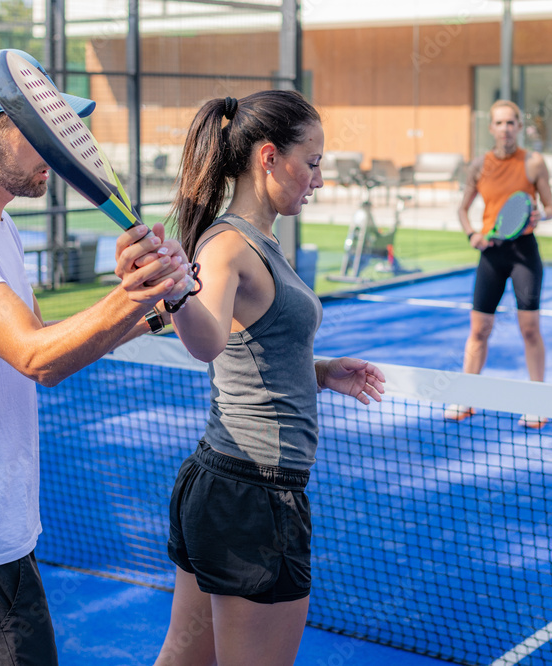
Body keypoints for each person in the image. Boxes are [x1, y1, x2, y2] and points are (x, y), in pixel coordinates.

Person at [0, 49, 193, 665]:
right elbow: (36, 357)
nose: (56, 150)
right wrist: (134, 290)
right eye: (37, 133)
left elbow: (38, 336)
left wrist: (154, 310)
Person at [146, 91, 386, 666]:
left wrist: (322, 373)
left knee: (183, 661)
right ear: (270, 157)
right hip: (253, 496)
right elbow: (207, 341)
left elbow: (253, 345)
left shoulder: (256, 240)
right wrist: (176, 291)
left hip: (224, 485)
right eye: (314, 162)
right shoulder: (229, 247)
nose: (320, 179)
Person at [450, 99, 552, 428]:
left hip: (525, 253)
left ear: (519, 127)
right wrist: (472, 235)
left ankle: (538, 402)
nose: (505, 128)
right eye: (500, 123)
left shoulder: (535, 163)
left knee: (529, 329)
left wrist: (541, 214)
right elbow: (462, 210)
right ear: (491, 128)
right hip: (491, 255)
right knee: (479, 330)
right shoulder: (479, 166)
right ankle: (468, 397)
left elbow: (550, 207)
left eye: (511, 122)